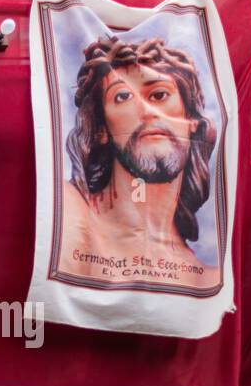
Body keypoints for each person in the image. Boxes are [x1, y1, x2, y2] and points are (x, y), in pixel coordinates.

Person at [59, 34, 220, 290]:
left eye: (159, 94)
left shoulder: (208, 280)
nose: (147, 111)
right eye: (123, 97)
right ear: (101, 130)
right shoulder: (67, 207)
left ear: (192, 121)